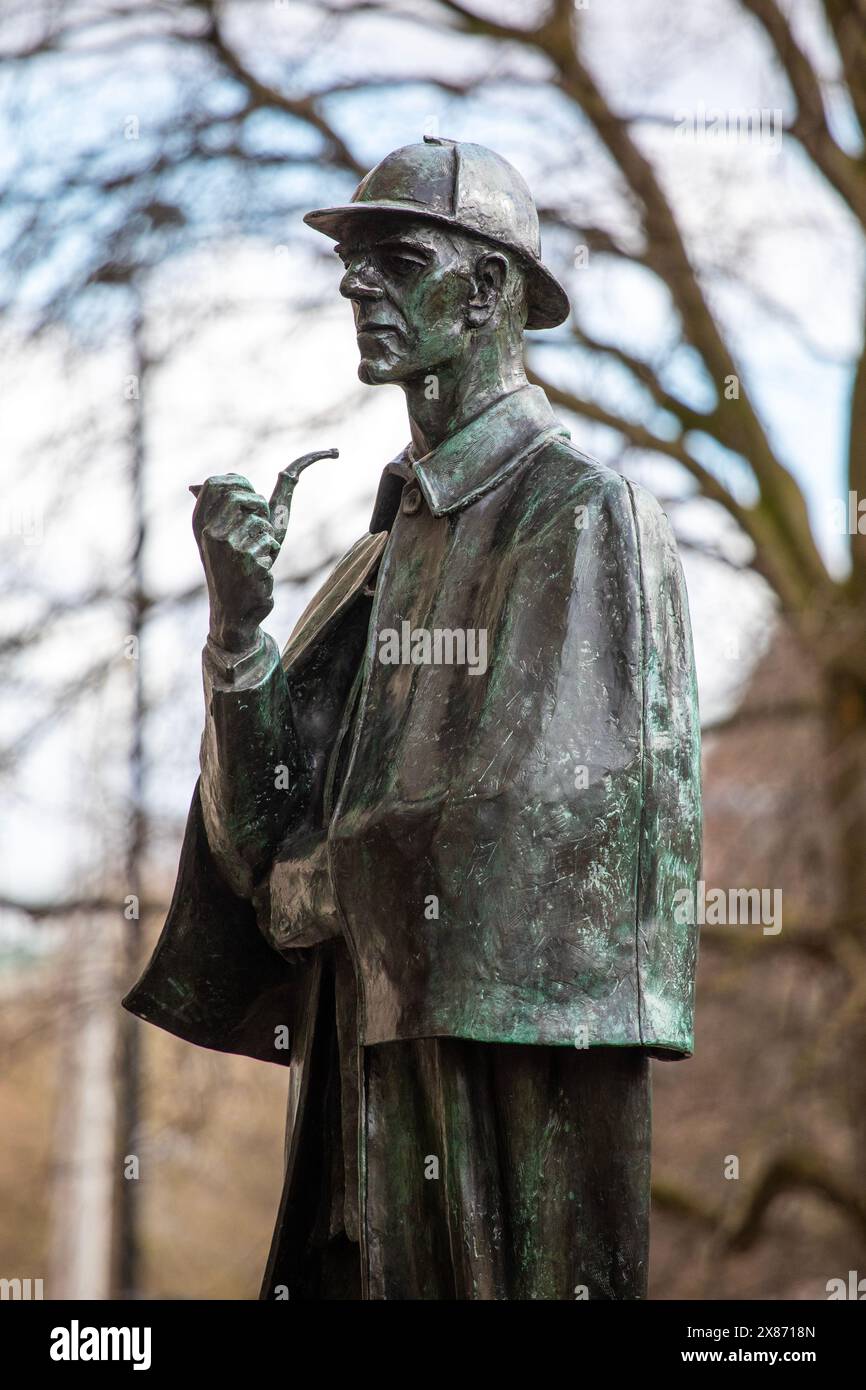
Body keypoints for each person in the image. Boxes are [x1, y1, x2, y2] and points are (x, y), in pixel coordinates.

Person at [124, 138, 702, 1300]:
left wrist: (317, 885)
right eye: (351, 262)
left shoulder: (580, 515)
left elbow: (556, 815)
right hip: (353, 1087)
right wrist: (241, 638)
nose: (354, 284)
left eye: (394, 257)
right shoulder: (369, 561)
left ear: (486, 289)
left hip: (487, 1099)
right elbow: (253, 836)